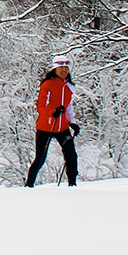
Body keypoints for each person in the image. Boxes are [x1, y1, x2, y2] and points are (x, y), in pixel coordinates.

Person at [26, 55, 79, 187]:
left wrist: (72, 122)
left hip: (62, 128)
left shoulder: (69, 86)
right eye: (61, 67)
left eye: (66, 67)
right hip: (46, 127)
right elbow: (41, 106)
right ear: (54, 69)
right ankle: (29, 186)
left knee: (71, 155)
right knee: (40, 158)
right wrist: (52, 112)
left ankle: (72, 185)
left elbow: (69, 107)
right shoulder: (47, 84)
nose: (64, 70)